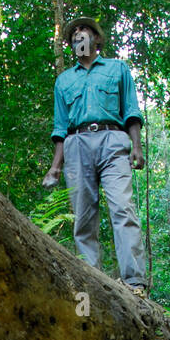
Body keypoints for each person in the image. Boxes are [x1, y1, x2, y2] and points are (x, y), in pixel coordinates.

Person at [43, 17, 148, 297]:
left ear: (96, 39)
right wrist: (55, 167)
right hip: (76, 145)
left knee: (123, 208)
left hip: (113, 140)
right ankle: (93, 283)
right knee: (83, 217)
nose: (79, 35)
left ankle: (135, 283)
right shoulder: (64, 81)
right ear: (71, 46)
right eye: (74, 35)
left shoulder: (117, 69)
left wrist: (136, 146)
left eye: (84, 31)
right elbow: (60, 127)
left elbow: (131, 111)